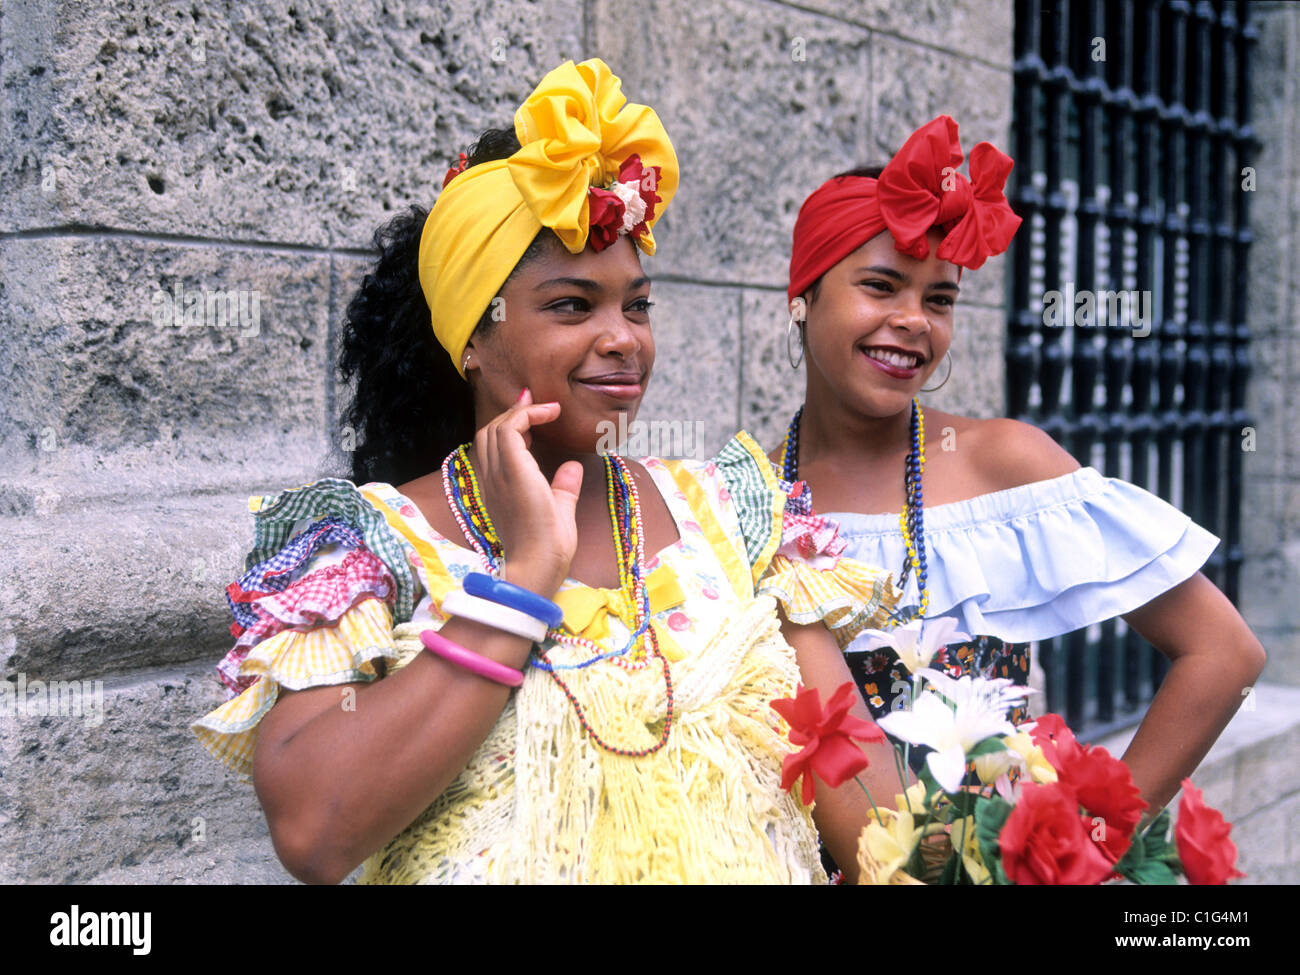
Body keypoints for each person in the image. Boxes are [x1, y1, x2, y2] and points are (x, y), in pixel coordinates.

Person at [190, 58, 897, 884]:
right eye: (572, 305)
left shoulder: (732, 512)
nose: (623, 337)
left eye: (636, 304)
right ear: (472, 339)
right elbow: (315, 831)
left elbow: (864, 795)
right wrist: (523, 584)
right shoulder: (372, 550)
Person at [772, 114, 1266, 815]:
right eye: (881, 286)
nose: (916, 319)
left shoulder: (1003, 464)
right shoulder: (740, 499)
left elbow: (1224, 655)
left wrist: (1089, 845)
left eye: (939, 298)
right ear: (803, 295)